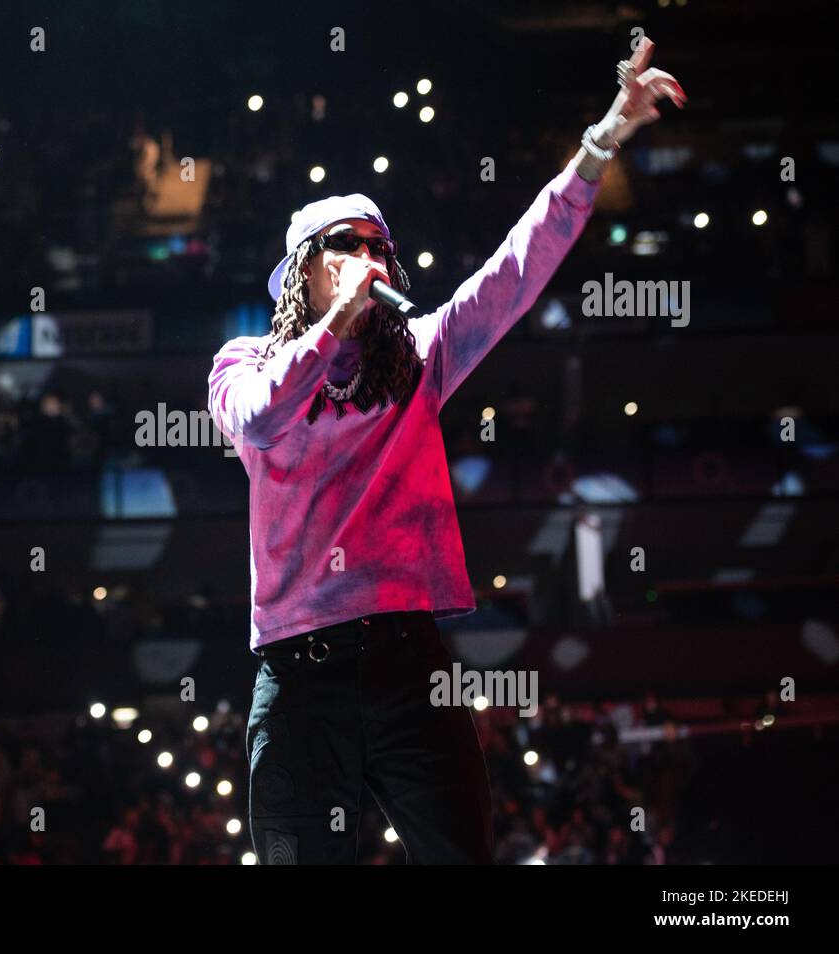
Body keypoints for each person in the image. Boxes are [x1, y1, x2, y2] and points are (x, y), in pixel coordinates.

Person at [207, 39, 685, 864]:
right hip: (297, 680)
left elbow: (516, 270)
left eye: (377, 246)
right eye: (345, 247)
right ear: (301, 275)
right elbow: (256, 422)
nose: (368, 259)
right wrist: (333, 330)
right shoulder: (243, 364)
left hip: (407, 663)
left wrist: (602, 139)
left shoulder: (421, 357)